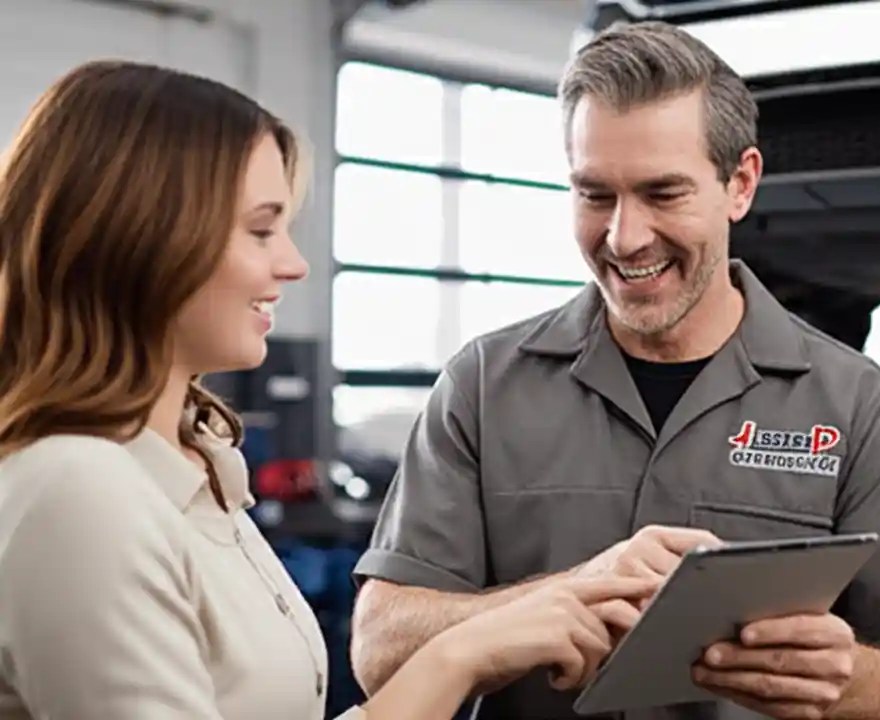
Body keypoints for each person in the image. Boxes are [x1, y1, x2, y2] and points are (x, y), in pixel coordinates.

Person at [351, 20, 880, 720]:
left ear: (739, 185)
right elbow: (380, 648)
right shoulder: (481, 387)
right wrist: (556, 598)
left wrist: (850, 677)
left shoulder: (853, 403)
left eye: (662, 193)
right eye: (596, 195)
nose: (625, 237)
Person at [0, 60, 656, 720]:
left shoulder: (193, 469)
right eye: (260, 230)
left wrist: (473, 647)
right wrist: (457, 656)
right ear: (136, 238)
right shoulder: (78, 490)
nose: (293, 263)